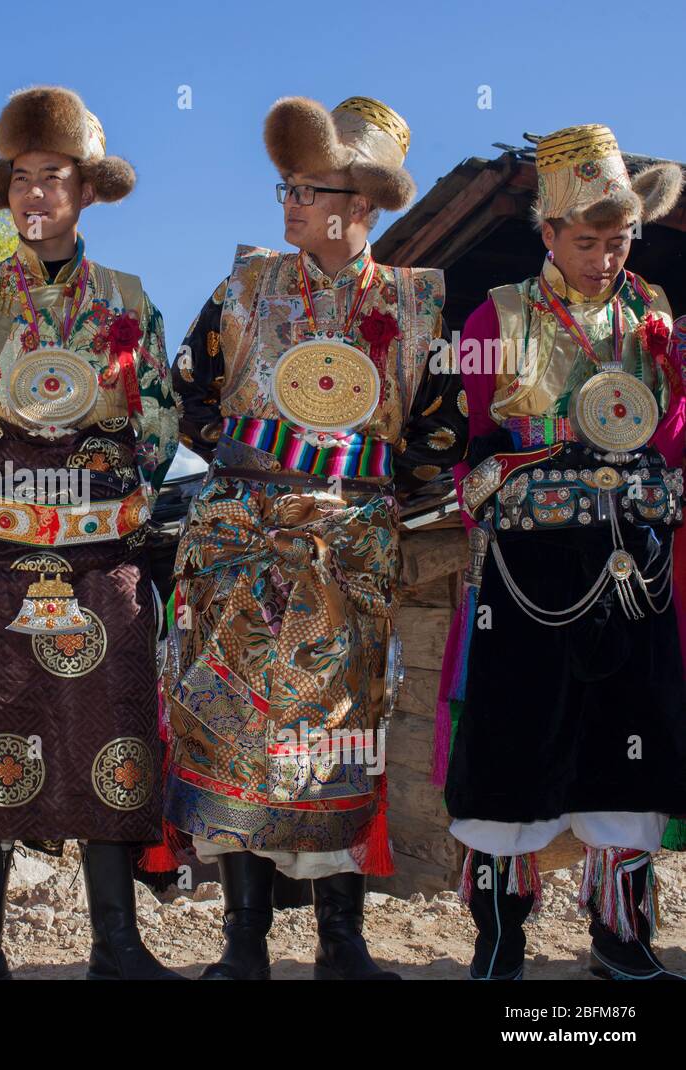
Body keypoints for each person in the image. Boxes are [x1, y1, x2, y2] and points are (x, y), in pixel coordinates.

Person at [165, 96, 466, 979]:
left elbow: (441, 440)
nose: (288, 201)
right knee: (236, 737)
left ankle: (342, 941)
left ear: (363, 202)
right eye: (285, 184)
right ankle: (243, 946)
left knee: (340, 739)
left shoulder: (417, 306)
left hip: (350, 560)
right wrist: (263, 479)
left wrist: (356, 509)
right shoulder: (246, 286)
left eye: (310, 187)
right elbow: (190, 393)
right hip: (240, 552)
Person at [0, 85, 180, 980]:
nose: (34, 195)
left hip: (104, 552)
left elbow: (161, 430)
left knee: (112, 728)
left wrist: (107, 477)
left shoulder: (130, 302)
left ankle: (116, 942)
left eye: (53, 178)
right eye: (21, 179)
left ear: (86, 191)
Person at [436, 124, 686, 980]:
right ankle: (500, 932)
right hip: (531, 569)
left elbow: (674, 429)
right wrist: (547, 454)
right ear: (547, 232)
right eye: (586, 241)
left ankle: (621, 934)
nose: (605, 258)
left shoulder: (651, 315)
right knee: (514, 741)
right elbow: (468, 443)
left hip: (633, 561)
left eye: (620, 242)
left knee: (631, 740)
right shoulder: (495, 315)